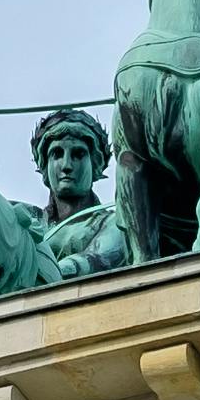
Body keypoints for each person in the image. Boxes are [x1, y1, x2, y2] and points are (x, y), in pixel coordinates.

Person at [27, 107, 136, 277]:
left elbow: (94, 261)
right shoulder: (29, 221)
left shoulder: (116, 223)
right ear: (45, 166)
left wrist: (32, 274)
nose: (66, 166)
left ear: (95, 164)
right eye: (57, 154)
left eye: (78, 154)